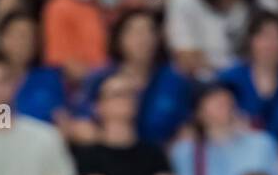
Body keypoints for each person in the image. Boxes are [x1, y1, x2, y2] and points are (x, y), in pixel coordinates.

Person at [78, 9, 195, 146]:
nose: (142, 39)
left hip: (161, 155)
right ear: (119, 38)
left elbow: (187, 126)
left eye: (148, 32)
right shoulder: (99, 78)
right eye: (134, 32)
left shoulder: (174, 80)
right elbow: (81, 123)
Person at [218, 11, 278, 149]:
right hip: (238, 154)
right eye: (265, 37)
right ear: (251, 41)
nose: (272, 44)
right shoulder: (230, 79)